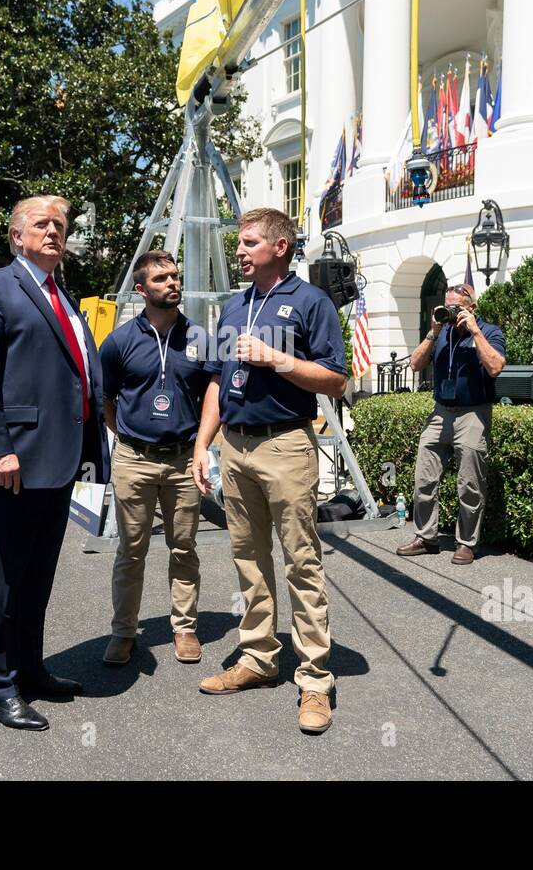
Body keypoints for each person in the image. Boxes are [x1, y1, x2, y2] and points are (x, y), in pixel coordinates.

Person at [0, 194, 110, 733]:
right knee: (0, 581)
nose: (52, 232)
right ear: (16, 236)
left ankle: (30, 669)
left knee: (37, 577)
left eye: (59, 225)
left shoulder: (62, 295)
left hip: (60, 463)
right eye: (41, 224)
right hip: (9, 462)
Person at [191, 207, 347, 735]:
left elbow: (334, 381)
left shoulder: (311, 302)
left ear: (280, 246)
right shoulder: (235, 305)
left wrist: (275, 359)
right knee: (249, 561)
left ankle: (315, 680)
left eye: (250, 242)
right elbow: (215, 380)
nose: (239, 250)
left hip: (285, 447)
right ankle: (258, 658)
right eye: (239, 242)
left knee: (301, 562)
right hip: (234, 448)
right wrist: (202, 445)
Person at [99, 250, 211, 667]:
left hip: (183, 459)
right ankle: (123, 632)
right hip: (134, 459)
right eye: (162, 278)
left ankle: (184, 627)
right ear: (141, 289)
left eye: (176, 276)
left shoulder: (200, 338)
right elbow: (105, 399)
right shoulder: (119, 342)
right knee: (131, 549)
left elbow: (211, 398)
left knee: (183, 547)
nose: (173, 283)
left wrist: (201, 447)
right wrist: (129, 438)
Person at [396, 283, 505, 565]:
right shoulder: (441, 333)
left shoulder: (490, 331)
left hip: (473, 413)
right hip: (440, 412)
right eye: (447, 305)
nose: (452, 311)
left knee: (469, 483)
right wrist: (433, 331)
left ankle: (467, 543)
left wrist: (475, 331)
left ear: (472, 307)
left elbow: (495, 367)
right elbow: (415, 364)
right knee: (424, 478)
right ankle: (426, 538)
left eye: (457, 306)